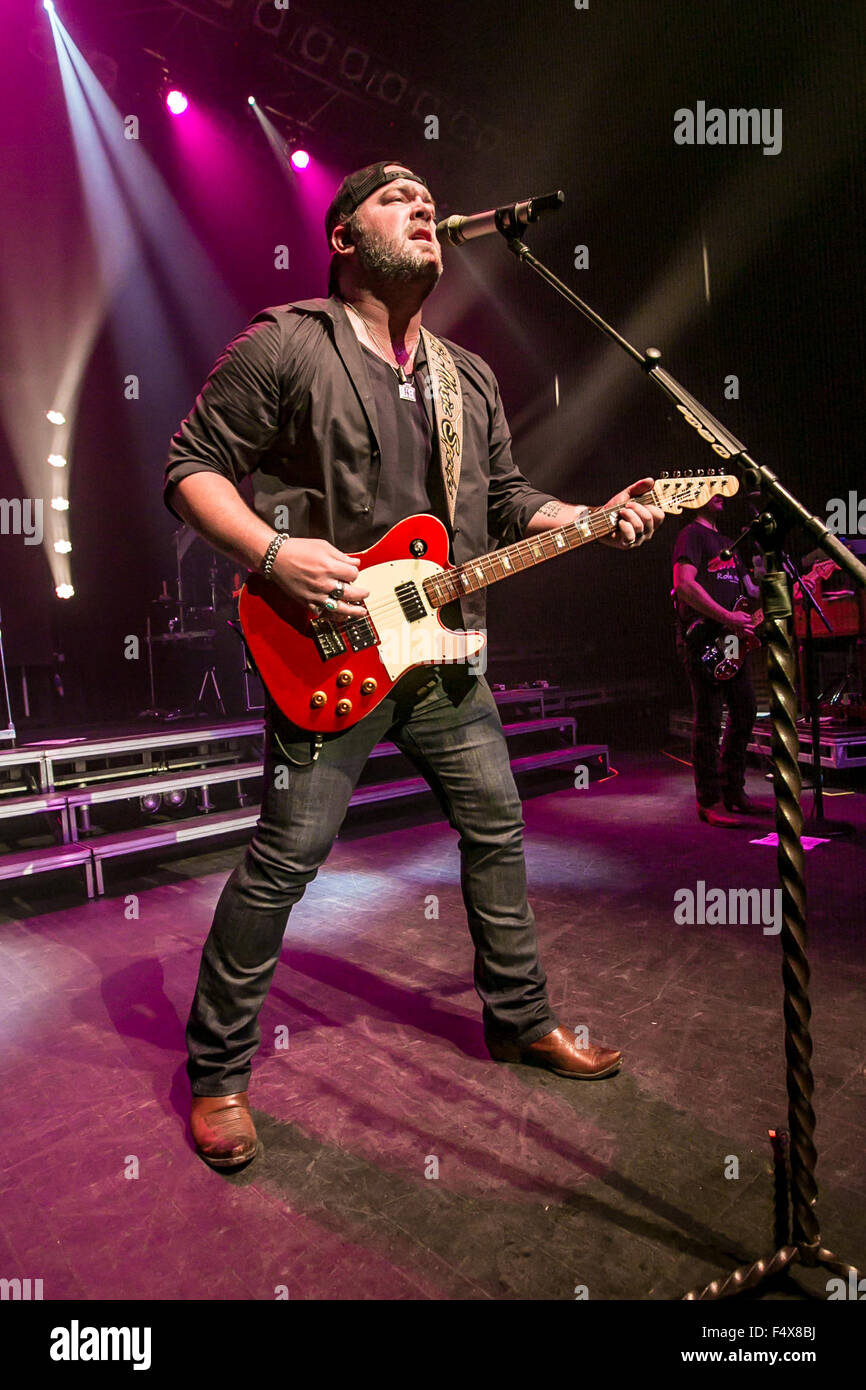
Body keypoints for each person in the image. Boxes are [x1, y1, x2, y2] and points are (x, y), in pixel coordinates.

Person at [163, 160, 664, 1168]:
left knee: (496, 828)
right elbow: (189, 469)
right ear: (343, 237)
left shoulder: (465, 376)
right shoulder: (284, 344)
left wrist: (589, 519)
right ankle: (217, 1070)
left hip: (443, 654)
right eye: (396, 199)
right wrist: (269, 551)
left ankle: (516, 1017)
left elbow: (508, 499)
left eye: (430, 201)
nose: (424, 209)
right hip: (330, 653)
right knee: (284, 860)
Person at [672, 490, 764, 827]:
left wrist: (770, 577)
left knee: (745, 711)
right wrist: (727, 617)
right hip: (704, 637)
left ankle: (734, 791)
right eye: (714, 490)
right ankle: (709, 801)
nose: (722, 495)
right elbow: (684, 585)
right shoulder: (691, 535)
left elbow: (749, 592)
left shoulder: (730, 541)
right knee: (709, 720)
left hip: (733, 640)